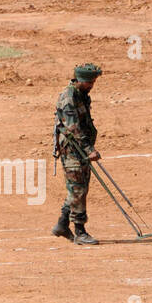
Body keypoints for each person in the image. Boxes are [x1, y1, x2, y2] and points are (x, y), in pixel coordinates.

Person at [51, 63, 103, 246]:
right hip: (73, 150)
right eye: (90, 82)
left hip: (80, 149)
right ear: (80, 80)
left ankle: (62, 224)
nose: (92, 85)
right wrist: (89, 150)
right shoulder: (69, 98)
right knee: (78, 190)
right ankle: (80, 232)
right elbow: (73, 128)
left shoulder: (82, 95)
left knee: (78, 188)